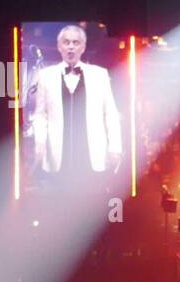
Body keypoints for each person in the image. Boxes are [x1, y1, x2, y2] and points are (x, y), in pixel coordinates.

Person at [30, 24, 123, 192]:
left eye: (75, 42)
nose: (71, 46)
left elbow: (110, 114)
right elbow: (39, 115)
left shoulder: (99, 75)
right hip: (58, 157)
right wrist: (40, 141)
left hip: (92, 156)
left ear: (83, 47)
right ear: (59, 47)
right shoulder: (46, 76)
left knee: (93, 205)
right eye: (66, 42)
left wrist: (115, 147)